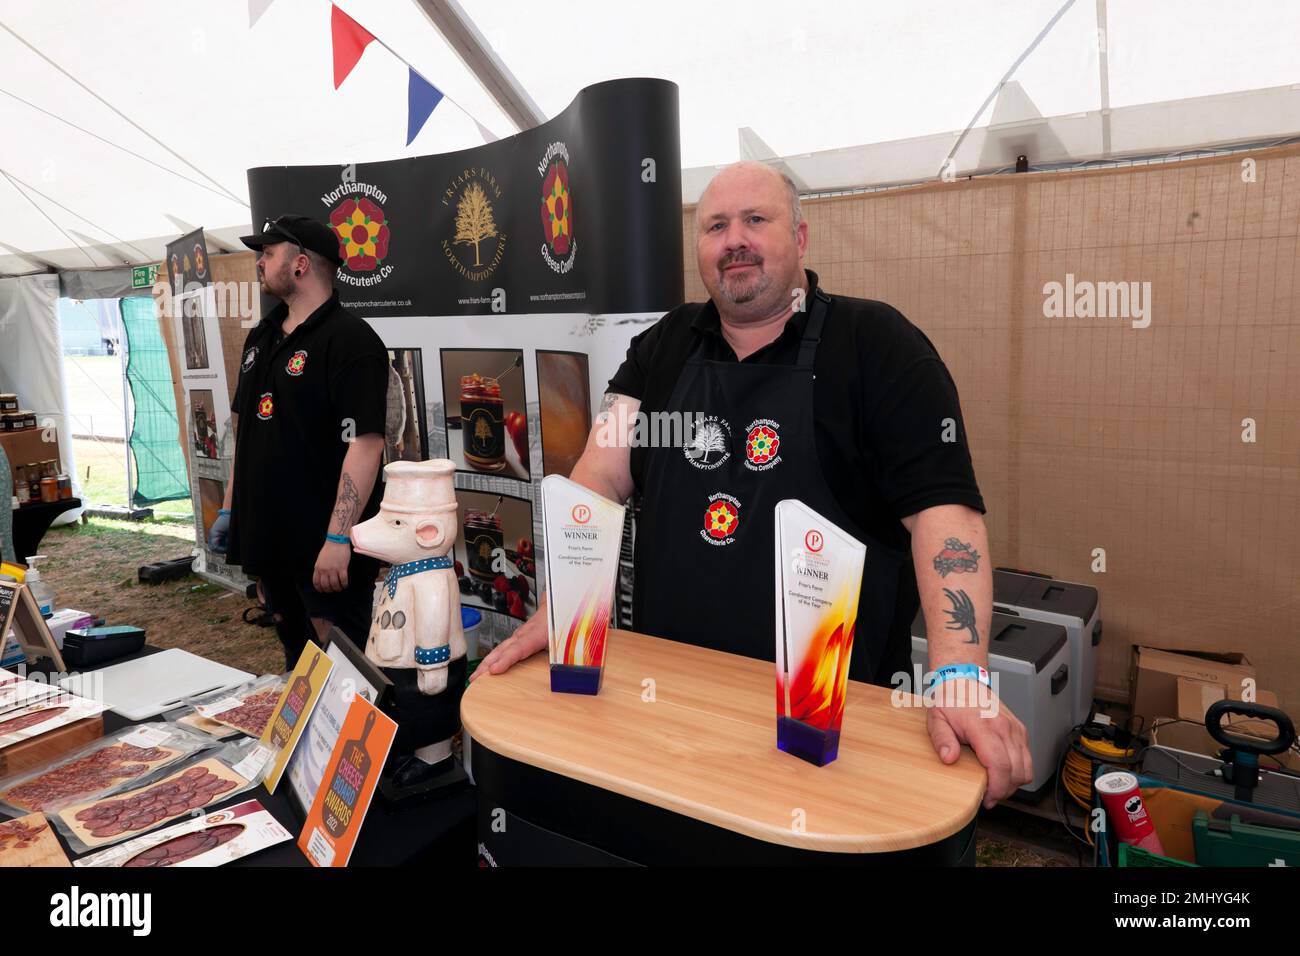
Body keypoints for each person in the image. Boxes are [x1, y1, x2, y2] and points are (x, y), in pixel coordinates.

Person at [475, 161, 1033, 806]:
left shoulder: (877, 345)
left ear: (799, 238)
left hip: (830, 717)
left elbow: (945, 516)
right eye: (715, 226)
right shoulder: (665, 346)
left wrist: (960, 675)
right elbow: (601, 475)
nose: (733, 238)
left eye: (754, 220)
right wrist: (566, 608)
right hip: (669, 694)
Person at [208, 215, 389, 668]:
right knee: (298, 657)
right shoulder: (261, 337)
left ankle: (369, 740)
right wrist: (231, 509)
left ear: (301, 264)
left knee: (344, 665)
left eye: (268, 254)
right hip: (270, 543)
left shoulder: (352, 341)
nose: (259, 263)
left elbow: (365, 445)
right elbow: (245, 433)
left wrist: (337, 537)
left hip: (323, 546)